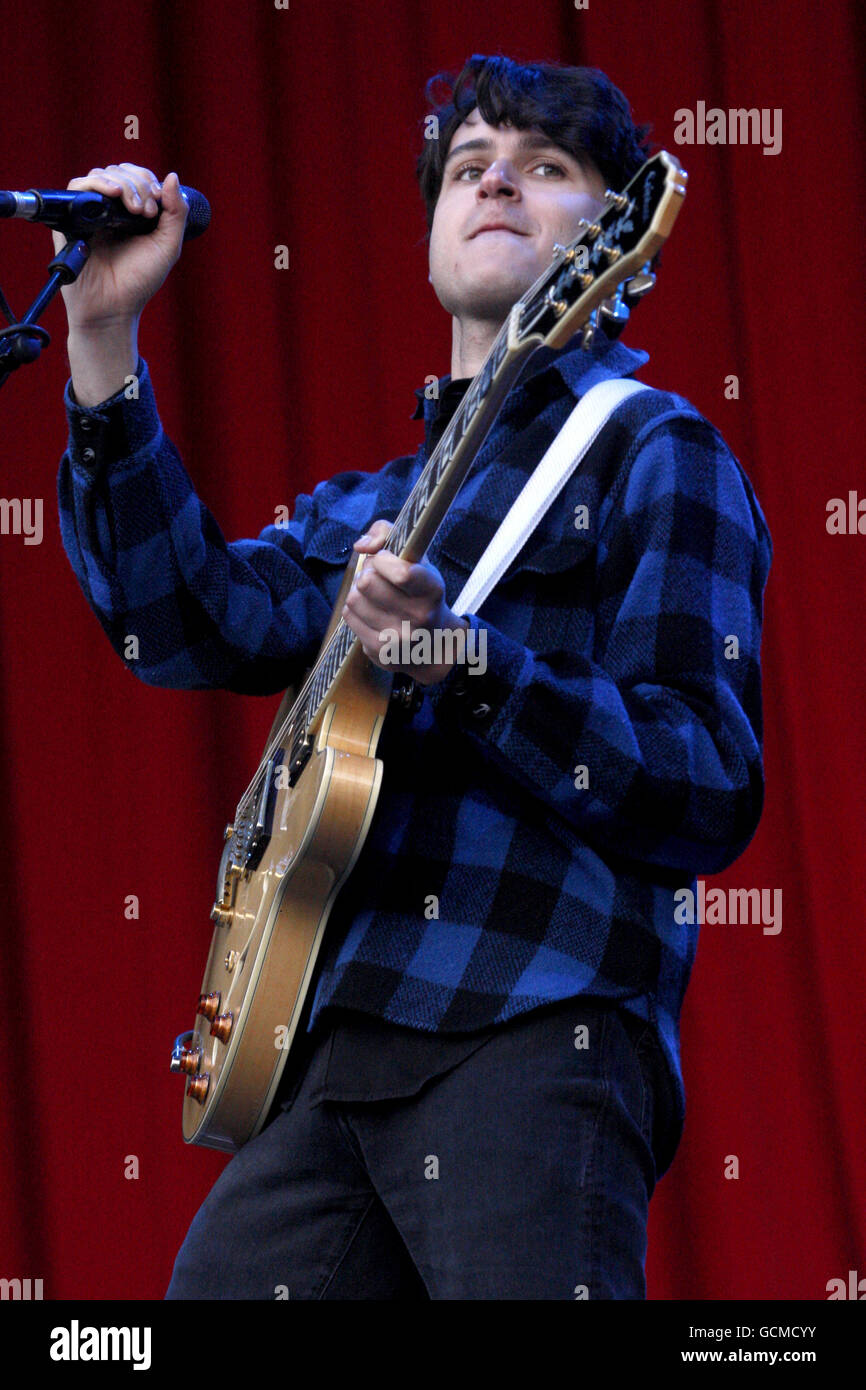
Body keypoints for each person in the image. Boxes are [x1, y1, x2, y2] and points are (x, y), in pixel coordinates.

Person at [55, 54, 772, 1299]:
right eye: (465, 166)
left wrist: (461, 658)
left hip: (535, 1026)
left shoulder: (655, 451)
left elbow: (702, 782)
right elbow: (178, 620)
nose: (494, 180)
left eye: (544, 167)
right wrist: (104, 330)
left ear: (615, 237)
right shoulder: (372, 505)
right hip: (323, 1046)